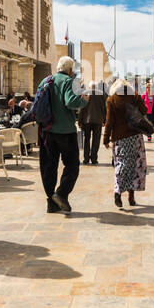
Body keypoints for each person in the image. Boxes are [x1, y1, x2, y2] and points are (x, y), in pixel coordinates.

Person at [40, 55, 87, 213]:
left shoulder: (46, 81)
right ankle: (61, 194)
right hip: (65, 131)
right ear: (69, 70)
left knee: (49, 166)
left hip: (46, 131)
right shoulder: (68, 81)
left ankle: (51, 202)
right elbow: (70, 101)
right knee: (72, 165)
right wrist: (83, 100)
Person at [104, 77, 149, 209]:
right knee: (135, 165)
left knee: (121, 164)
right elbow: (145, 110)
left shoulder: (112, 100)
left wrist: (106, 138)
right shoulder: (134, 96)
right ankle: (131, 196)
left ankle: (118, 191)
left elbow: (109, 122)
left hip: (119, 138)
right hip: (135, 137)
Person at [78, 80, 108, 165]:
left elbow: (81, 108)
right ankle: (94, 158)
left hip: (87, 121)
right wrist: (104, 120)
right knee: (96, 140)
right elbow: (104, 108)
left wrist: (80, 121)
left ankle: (86, 159)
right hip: (98, 120)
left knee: (87, 139)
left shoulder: (85, 93)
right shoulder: (102, 94)